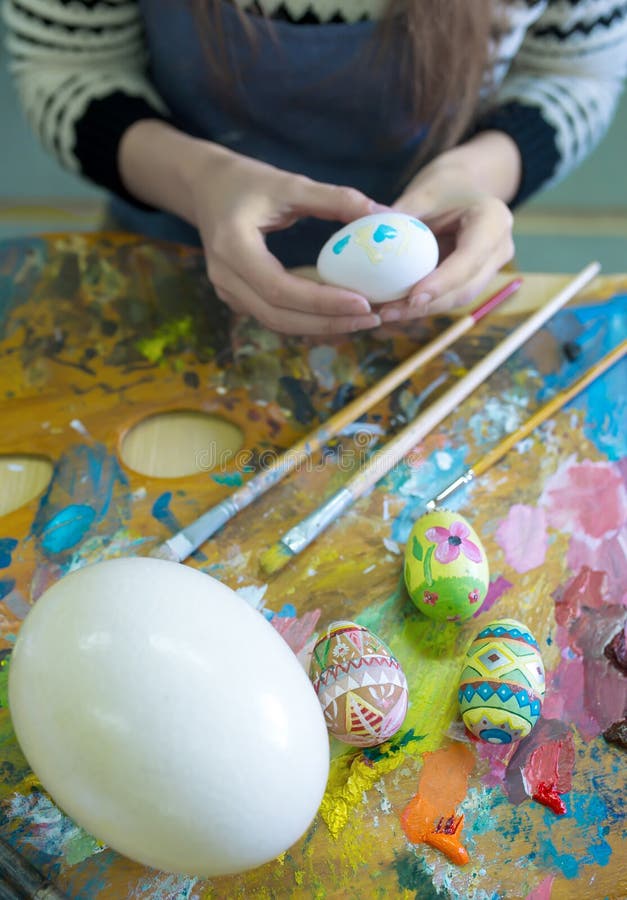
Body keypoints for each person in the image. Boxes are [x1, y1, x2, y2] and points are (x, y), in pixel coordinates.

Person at [4, 0, 627, 335]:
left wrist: (477, 177)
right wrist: (199, 181)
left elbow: (575, 72)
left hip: (436, 291)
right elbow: (67, 64)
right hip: (170, 268)